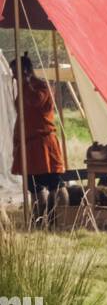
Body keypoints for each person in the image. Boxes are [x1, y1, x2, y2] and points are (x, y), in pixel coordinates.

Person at [9, 54, 65, 208]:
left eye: (16, 72)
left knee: (55, 186)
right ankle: (38, 223)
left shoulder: (41, 86)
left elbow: (36, 102)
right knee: (34, 187)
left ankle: (55, 221)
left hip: (43, 144)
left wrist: (27, 83)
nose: (13, 76)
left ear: (25, 71)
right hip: (28, 146)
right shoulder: (23, 89)